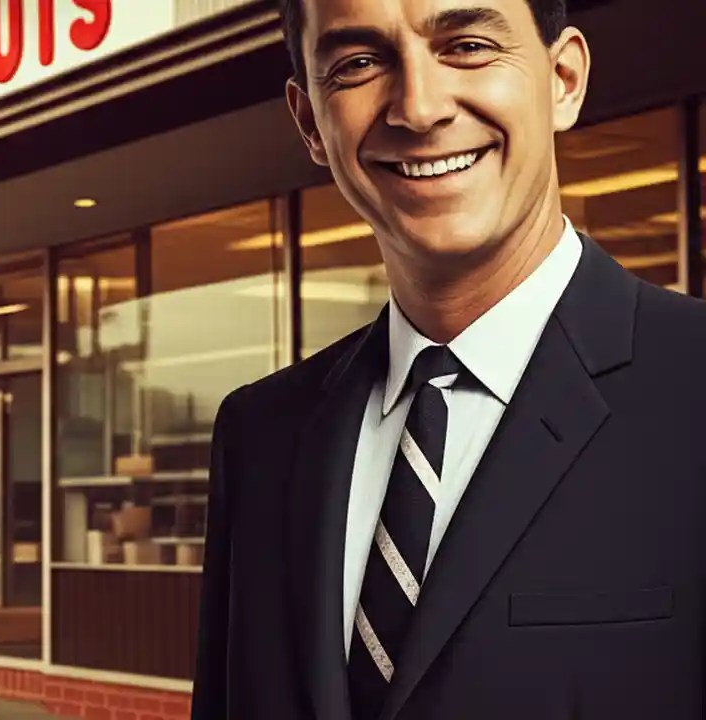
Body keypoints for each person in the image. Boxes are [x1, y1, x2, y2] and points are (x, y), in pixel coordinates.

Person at [190, 0, 706, 718]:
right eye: (359, 63)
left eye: (466, 46)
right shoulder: (259, 434)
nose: (420, 107)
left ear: (563, 78)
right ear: (310, 122)